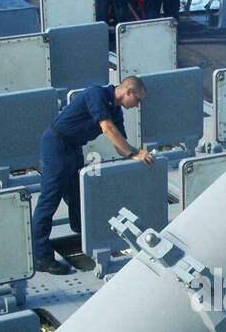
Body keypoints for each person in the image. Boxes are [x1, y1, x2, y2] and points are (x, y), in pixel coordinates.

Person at [32, 76, 154, 274]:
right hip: (56, 145)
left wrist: (137, 156)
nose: (138, 105)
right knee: (49, 201)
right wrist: (134, 153)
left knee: (78, 196)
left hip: (73, 148)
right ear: (128, 92)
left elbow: (120, 145)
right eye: (138, 99)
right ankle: (41, 257)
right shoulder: (96, 93)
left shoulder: (116, 110)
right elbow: (107, 128)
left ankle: (83, 235)